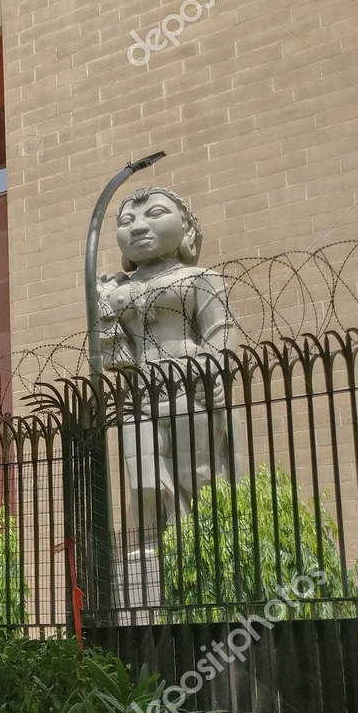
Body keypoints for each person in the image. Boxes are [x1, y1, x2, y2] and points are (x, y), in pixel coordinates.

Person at [96, 187, 241, 549]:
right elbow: (106, 346)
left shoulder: (198, 278)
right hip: (138, 395)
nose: (139, 227)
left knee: (197, 474)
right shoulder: (116, 290)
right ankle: (148, 548)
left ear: (187, 227)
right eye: (127, 221)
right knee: (142, 480)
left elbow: (219, 331)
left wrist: (217, 370)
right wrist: (101, 301)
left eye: (155, 214)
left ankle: (201, 545)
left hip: (188, 389)